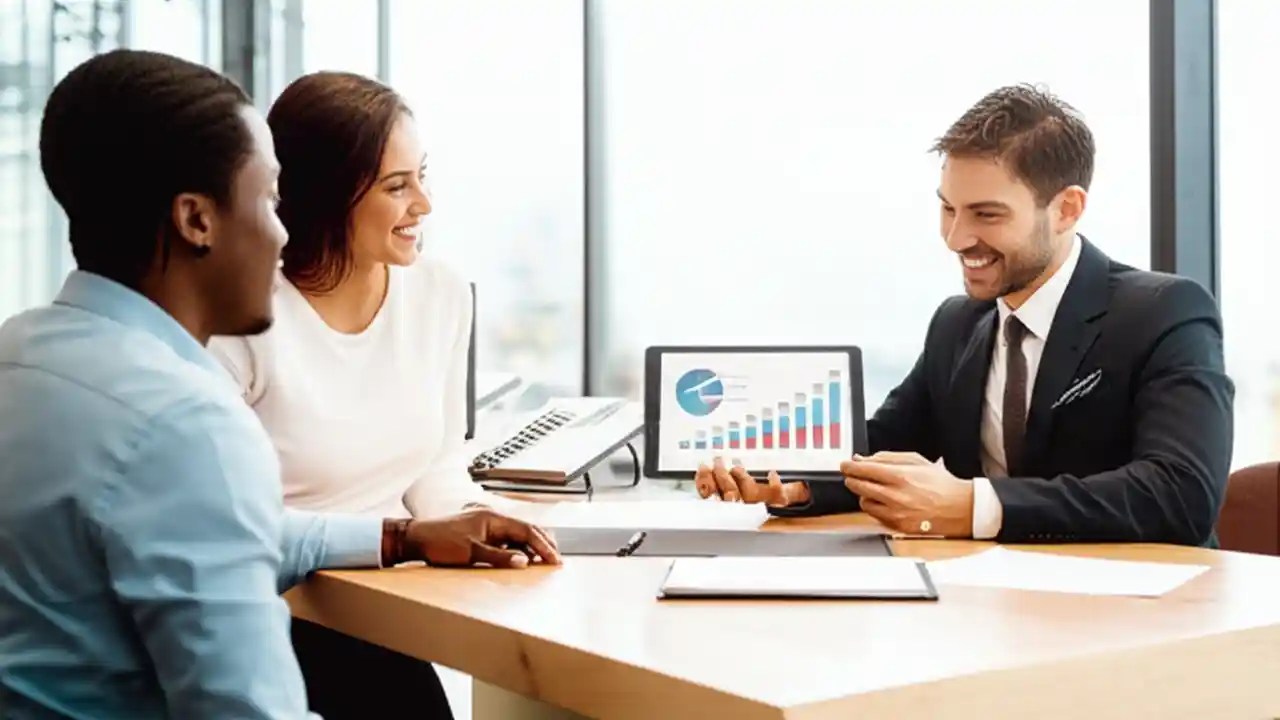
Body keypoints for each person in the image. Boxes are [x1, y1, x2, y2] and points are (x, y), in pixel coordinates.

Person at [0, 49, 558, 720]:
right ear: (196, 220)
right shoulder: (187, 422)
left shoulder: (20, 356)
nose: (284, 230)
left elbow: (209, 527)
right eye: (268, 199)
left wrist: (398, 537)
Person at [695, 84, 1233, 547]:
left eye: (986, 215)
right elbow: (882, 447)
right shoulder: (958, 324)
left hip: (1138, 619)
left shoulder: (1164, 313)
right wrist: (794, 483)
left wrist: (974, 506)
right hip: (988, 609)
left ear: (1066, 209)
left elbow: (1180, 493)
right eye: (948, 208)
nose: (957, 238)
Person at [204, 71, 526, 719]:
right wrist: (406, 536)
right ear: (327, 197)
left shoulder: (440, 293)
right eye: (397, 187)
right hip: (264, 615)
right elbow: (215, 523)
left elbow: (438, 458)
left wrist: (478, 523)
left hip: (380, 612)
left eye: (423, 177)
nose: (425, 205)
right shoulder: (241, 314)